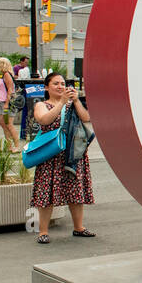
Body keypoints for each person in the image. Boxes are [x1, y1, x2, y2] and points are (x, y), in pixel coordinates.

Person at [29, 72, 96, 243]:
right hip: (51, 154)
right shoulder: (41, 105)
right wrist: (61, 103)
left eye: (62, 83)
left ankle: (79, 227)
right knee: (46, 193)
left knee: (75, 191)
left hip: (72, 153)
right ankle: (43, 231)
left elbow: (86, 117)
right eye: (55, 83)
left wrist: (75, 101)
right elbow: (45, 120)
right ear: (46, 87)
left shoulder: (71, 103)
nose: (60, 86)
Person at [0, 57, 20, 149]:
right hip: (2, 102)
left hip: (7, 103)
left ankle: (16, 145)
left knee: (9, 124)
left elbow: (10, 89)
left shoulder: (7, 75)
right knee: (3, 123)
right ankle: (9, 145)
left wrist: (6, 104)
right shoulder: (5, 75)